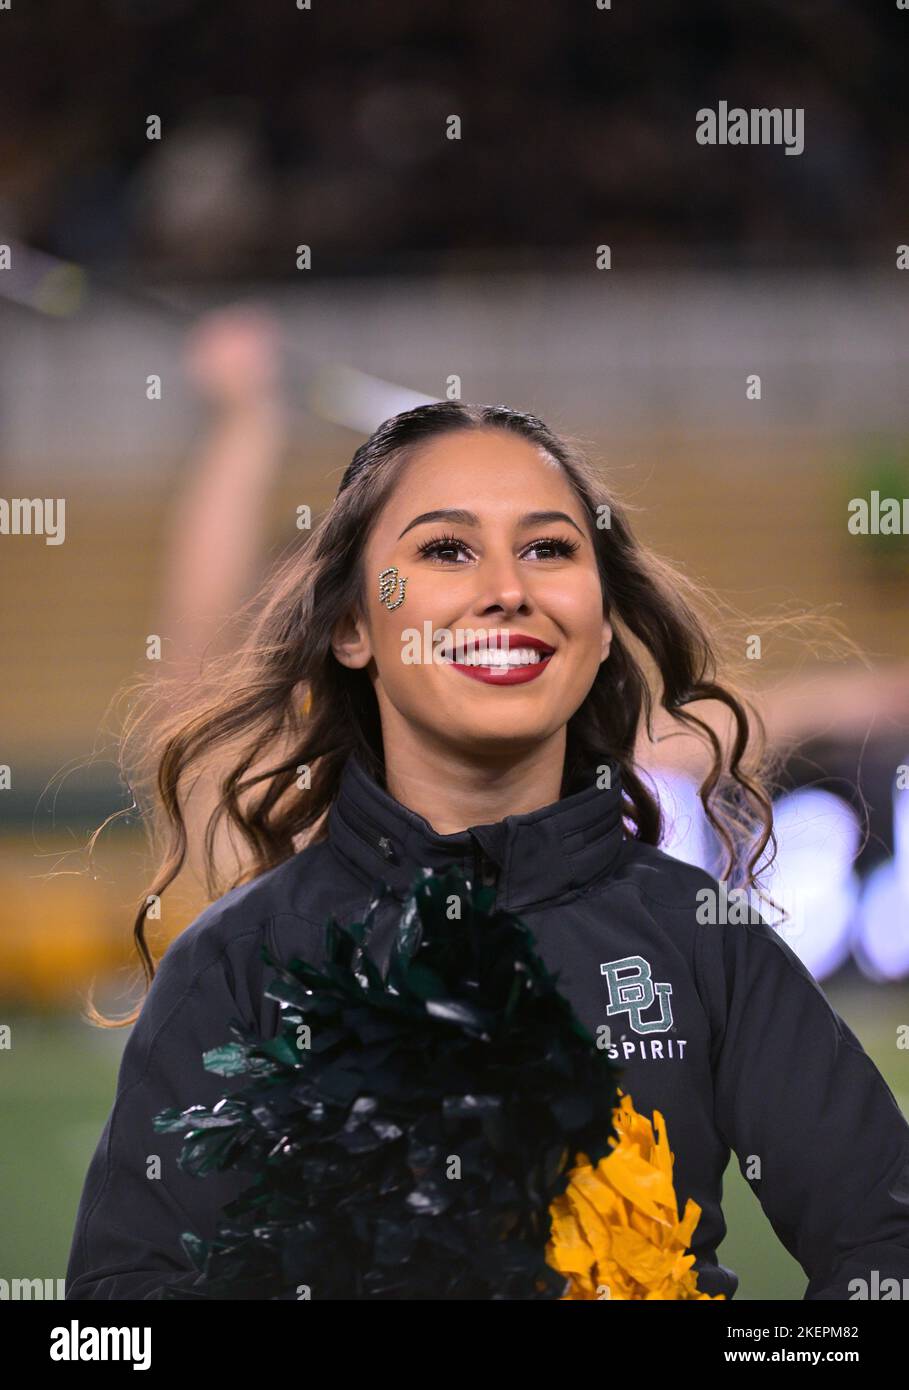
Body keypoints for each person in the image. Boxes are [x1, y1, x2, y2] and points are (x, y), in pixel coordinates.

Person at [65, 401, 909, 1300]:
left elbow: (884, 1251)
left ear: (597, 625)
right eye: (444, 549)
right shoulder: (237, 961)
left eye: (549, 549)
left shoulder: (704, 940)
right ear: (352, 626)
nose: (509, 588)